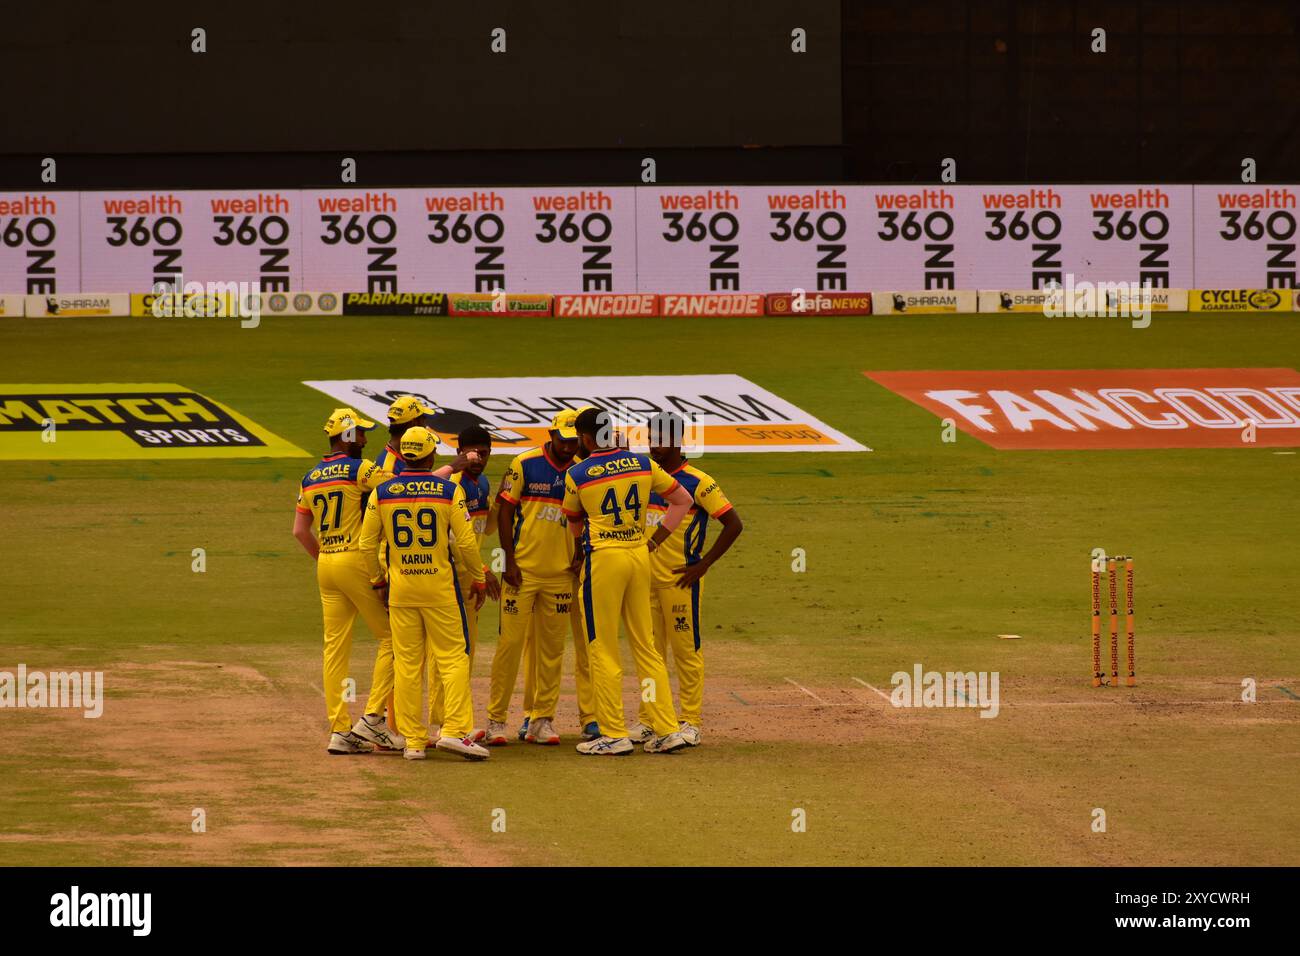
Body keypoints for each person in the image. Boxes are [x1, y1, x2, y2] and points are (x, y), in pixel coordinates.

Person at [562, 408, 694, 756]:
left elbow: (573, 521)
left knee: (601, 647)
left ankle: (613, 732)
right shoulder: (643, 464)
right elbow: (683, 501)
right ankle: (667, 728)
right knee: (646, 646)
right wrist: (654, 540)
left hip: (604, 561)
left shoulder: (577, 473)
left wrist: (580, 552)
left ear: (587, 438)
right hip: (639, 556)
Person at [359, 427, 489, 761]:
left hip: (401, 590)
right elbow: (465, 542)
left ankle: (414, 742)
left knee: (407, 664)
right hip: (440, 589)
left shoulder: (383, 492)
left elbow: (366, 542)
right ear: (431, 455)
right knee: (453, 658)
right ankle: (455, 731)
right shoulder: (448, 491)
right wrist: (479, 576)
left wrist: (378, 581)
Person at [291, 408, 402, 755]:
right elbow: (400, 489)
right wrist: (447, 471)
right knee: (393, 641)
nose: (366, 440)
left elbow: (299, 531)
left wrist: (328, 558)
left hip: (327, 563)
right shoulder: (361, 469)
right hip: (357, 560)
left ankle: (340, 730)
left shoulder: (309, 478)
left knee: (334, 650)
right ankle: (372, 719)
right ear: (348, 437)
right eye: (362, 434)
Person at [629, 412, 743, 747]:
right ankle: (650, 719)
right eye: (651, 439)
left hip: (681, 582)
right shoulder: (646, 477)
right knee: (650, 654)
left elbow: (733, 524)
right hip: (644, 581)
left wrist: (703, 563)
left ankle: (690, 721)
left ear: (679, 441)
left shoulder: (699, 481)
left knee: (686, 653)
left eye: (661, 441)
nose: (654, 447)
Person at [486, 410, 585, 746]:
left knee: (552, 650)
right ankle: (496, 720)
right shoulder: (524, 463)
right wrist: (509, 560)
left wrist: (581, 551)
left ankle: (541, 720)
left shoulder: (582, 469)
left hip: (560, 576)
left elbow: (591, 515)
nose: (568, 447)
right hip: (522, 574)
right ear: (551, 434)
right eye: (563, 440)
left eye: (574, 442)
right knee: (509, 647)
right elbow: (505, 511)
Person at [427, 425, 500, 739]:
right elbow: (456, 539)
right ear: (459, 452)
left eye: (483, 453)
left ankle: (453, 719)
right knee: (453, 650)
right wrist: (480, 570)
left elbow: (484, 530)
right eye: (471, 453)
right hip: (453, 576)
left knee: (464, 650)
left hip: (469, 575)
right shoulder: (452, 482)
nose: (477, 459)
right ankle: (448, 721)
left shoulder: (482, 483)